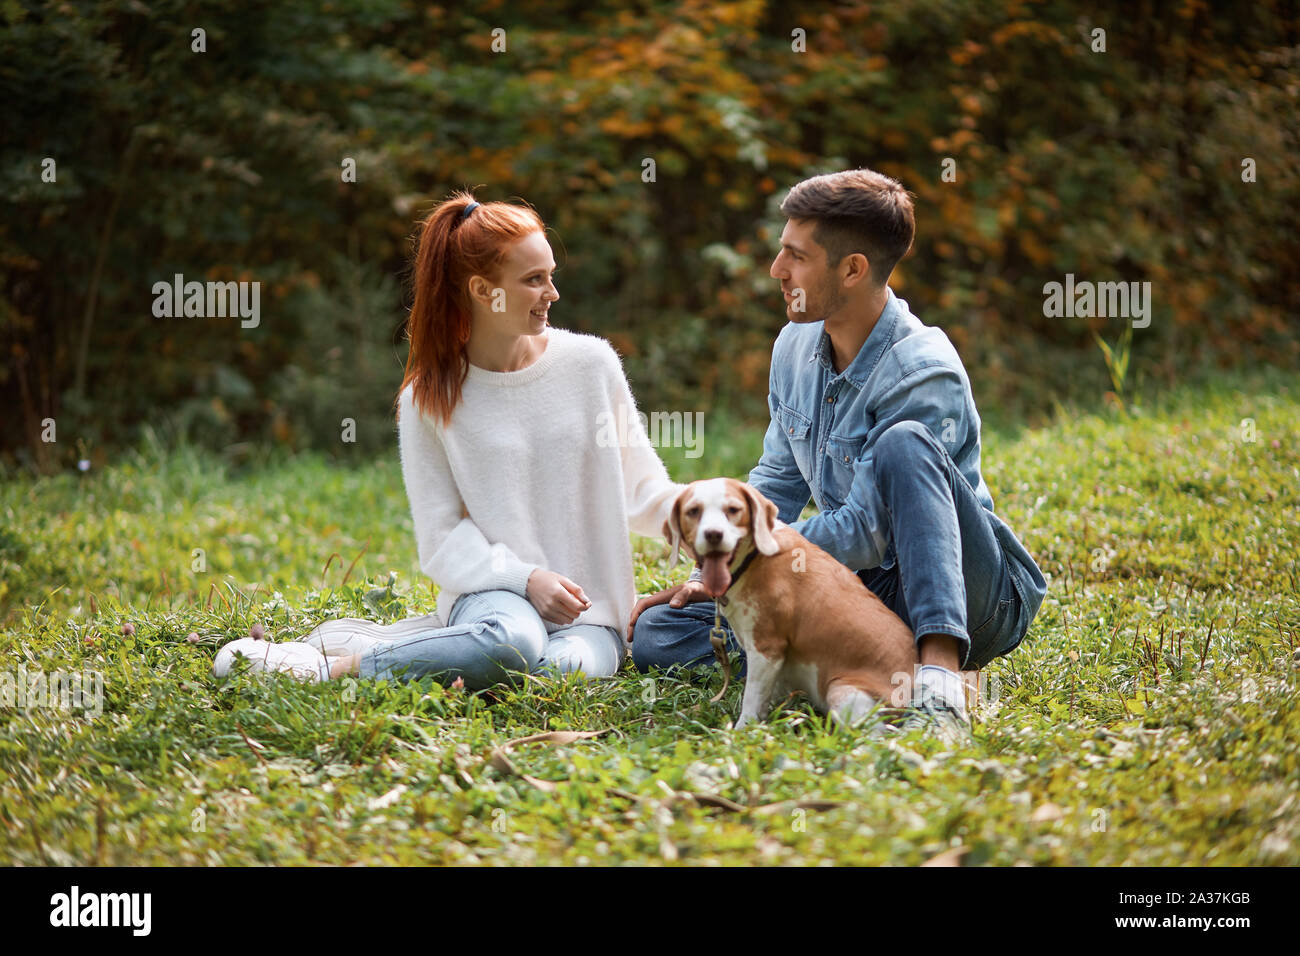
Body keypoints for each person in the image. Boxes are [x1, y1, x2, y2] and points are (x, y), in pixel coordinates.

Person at [627, 169, 1047, 732]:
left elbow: (866, 531)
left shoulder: (924, 369)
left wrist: (755, 547)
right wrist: (718, 567)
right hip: (858, 587)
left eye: (795, 257)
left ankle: (941, 682)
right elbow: (774, 483)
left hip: (965, 590)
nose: (777, 271)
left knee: (904, 444)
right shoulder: (794, 345)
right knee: (662, 632)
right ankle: (840, 671)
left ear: (852, 269)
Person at [214, 192, 682, 688]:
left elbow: (639, 487)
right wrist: (526, 579)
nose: (553, 293)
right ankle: (335, 668)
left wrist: (703, 516)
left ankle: (395, 644)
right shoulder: (429, 399)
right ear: (484, 290)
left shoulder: (592, 365)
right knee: (511, 646)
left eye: (551, 275)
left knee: (554, 673)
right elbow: (441, 539)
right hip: (494, 594)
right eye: (534, 280)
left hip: (591, 618)